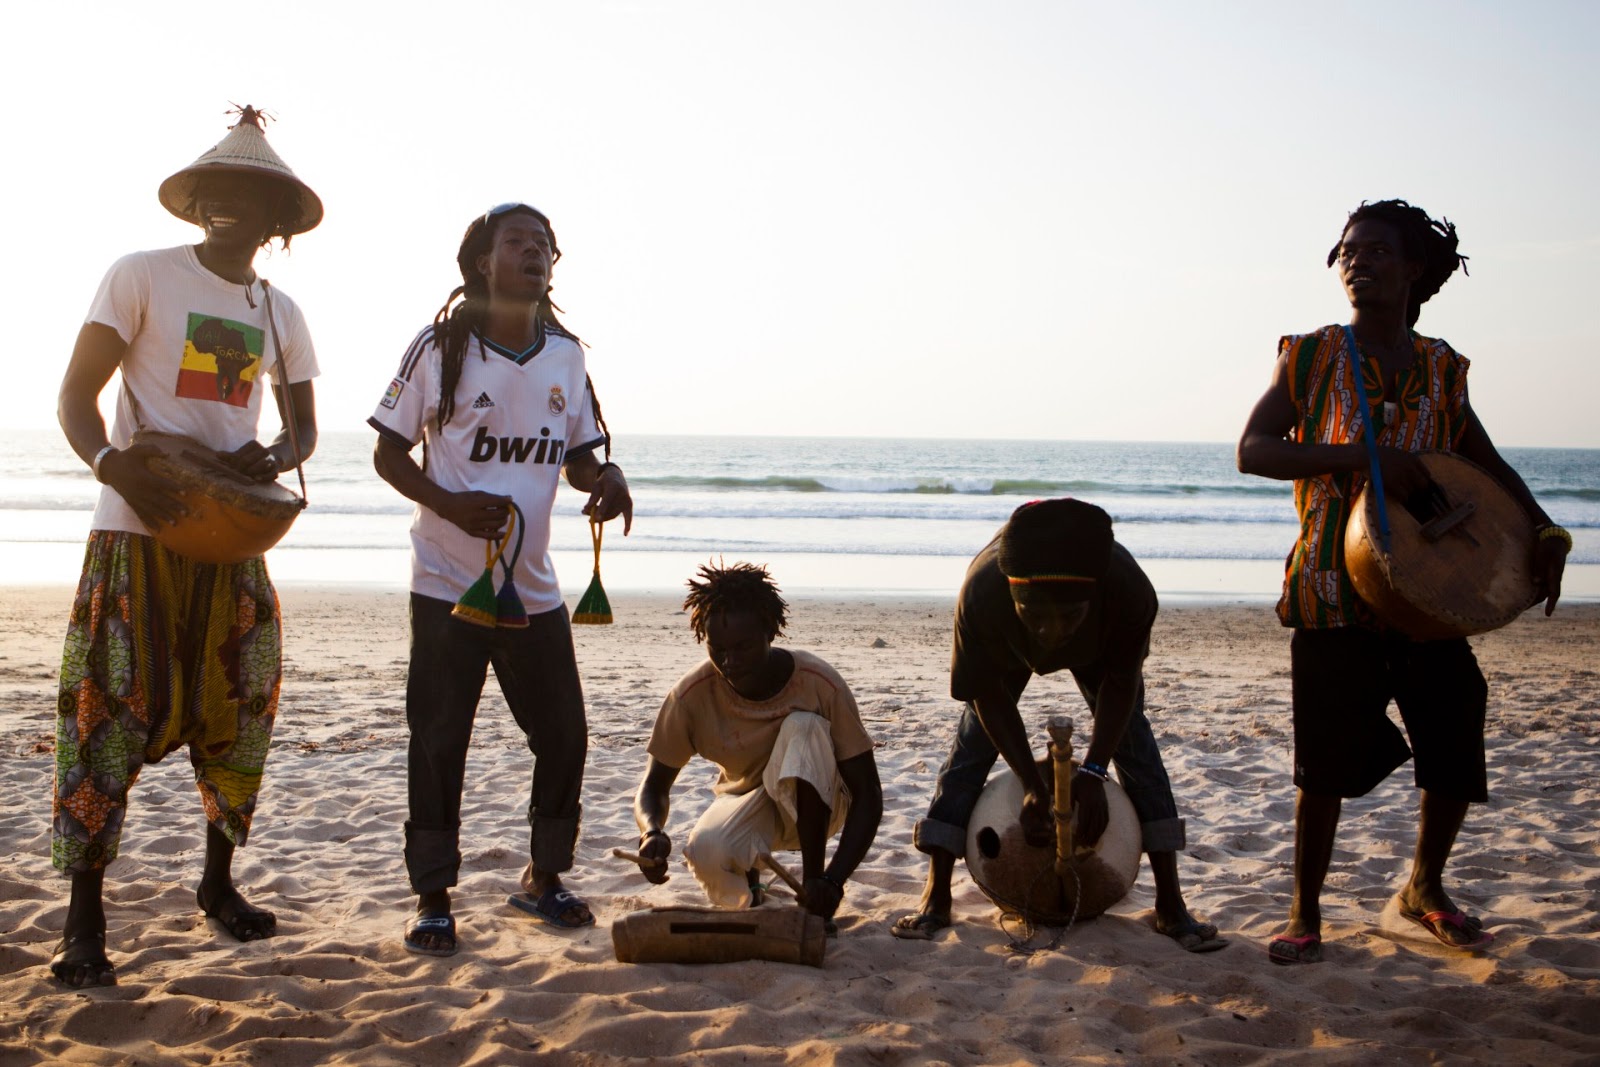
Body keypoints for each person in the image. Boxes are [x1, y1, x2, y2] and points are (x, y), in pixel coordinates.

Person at [1237, 199, 1570, 964]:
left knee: (1456, 732)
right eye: (1349, 251)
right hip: (1332, 586)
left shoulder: (1440, 371)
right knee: (1322, 761)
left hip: (1427, 600)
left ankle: (1424, 886)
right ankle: (1304, 908)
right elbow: (1253, 449)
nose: (1358, 262)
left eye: (1378, 251)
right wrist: (1365, 458)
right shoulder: (1314, 358)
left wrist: (1545, 528)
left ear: (1414, 269)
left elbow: (1486, 463)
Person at [50, 105, 323, 987]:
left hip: (231, 535)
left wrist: (269, 454)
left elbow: (303, 431)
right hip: (136, 526)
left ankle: (217, 884)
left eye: (244, 193)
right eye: (212, 189)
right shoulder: (140, 276)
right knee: (103, 712)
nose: (221, 203)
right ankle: (82, 923)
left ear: (277, 219)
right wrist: (109, 465)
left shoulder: (280, 312)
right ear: (193, 199)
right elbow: (75, 400)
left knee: (243, 705)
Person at [370, 202, 633, 957]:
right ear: (483, 260)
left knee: (565, 735)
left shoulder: (567, 355)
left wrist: (605, 476)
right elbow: (388, 452)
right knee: (439, 738)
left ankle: (542, 878)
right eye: (517, 242)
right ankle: (432, 897)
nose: (535, 253)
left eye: (544, 245)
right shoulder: (441, 348)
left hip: (536, 587)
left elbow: (579, 453)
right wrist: (448, 502)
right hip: (448, 583)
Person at [892, 498, 1224, 952]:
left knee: (1135, 744)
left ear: (1096, 594)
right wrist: (1031, 783)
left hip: (1100, 652)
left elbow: (1122, 686)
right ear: (1011, 593)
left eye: (1069, 615)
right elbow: (987, 696)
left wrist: (1092, 771)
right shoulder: (981, 592)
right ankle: (937, 893)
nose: (1051, 631)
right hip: (1005, 650)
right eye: (1035, 615)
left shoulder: (1130, 591)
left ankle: (1170, 903)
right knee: (971, 745)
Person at [633, 563, 883, 930]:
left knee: (804, 727)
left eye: (743, 647)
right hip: (751, 805)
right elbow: (653, 786)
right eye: (717, 650)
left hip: (823, 808)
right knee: (705, 851)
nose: (730, 663)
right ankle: (755, 900)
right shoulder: (691, 696)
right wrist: (651, 831)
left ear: (770, 631)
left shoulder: (818, 684)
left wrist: (833, 880)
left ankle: (811, 887)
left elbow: (869, 794)